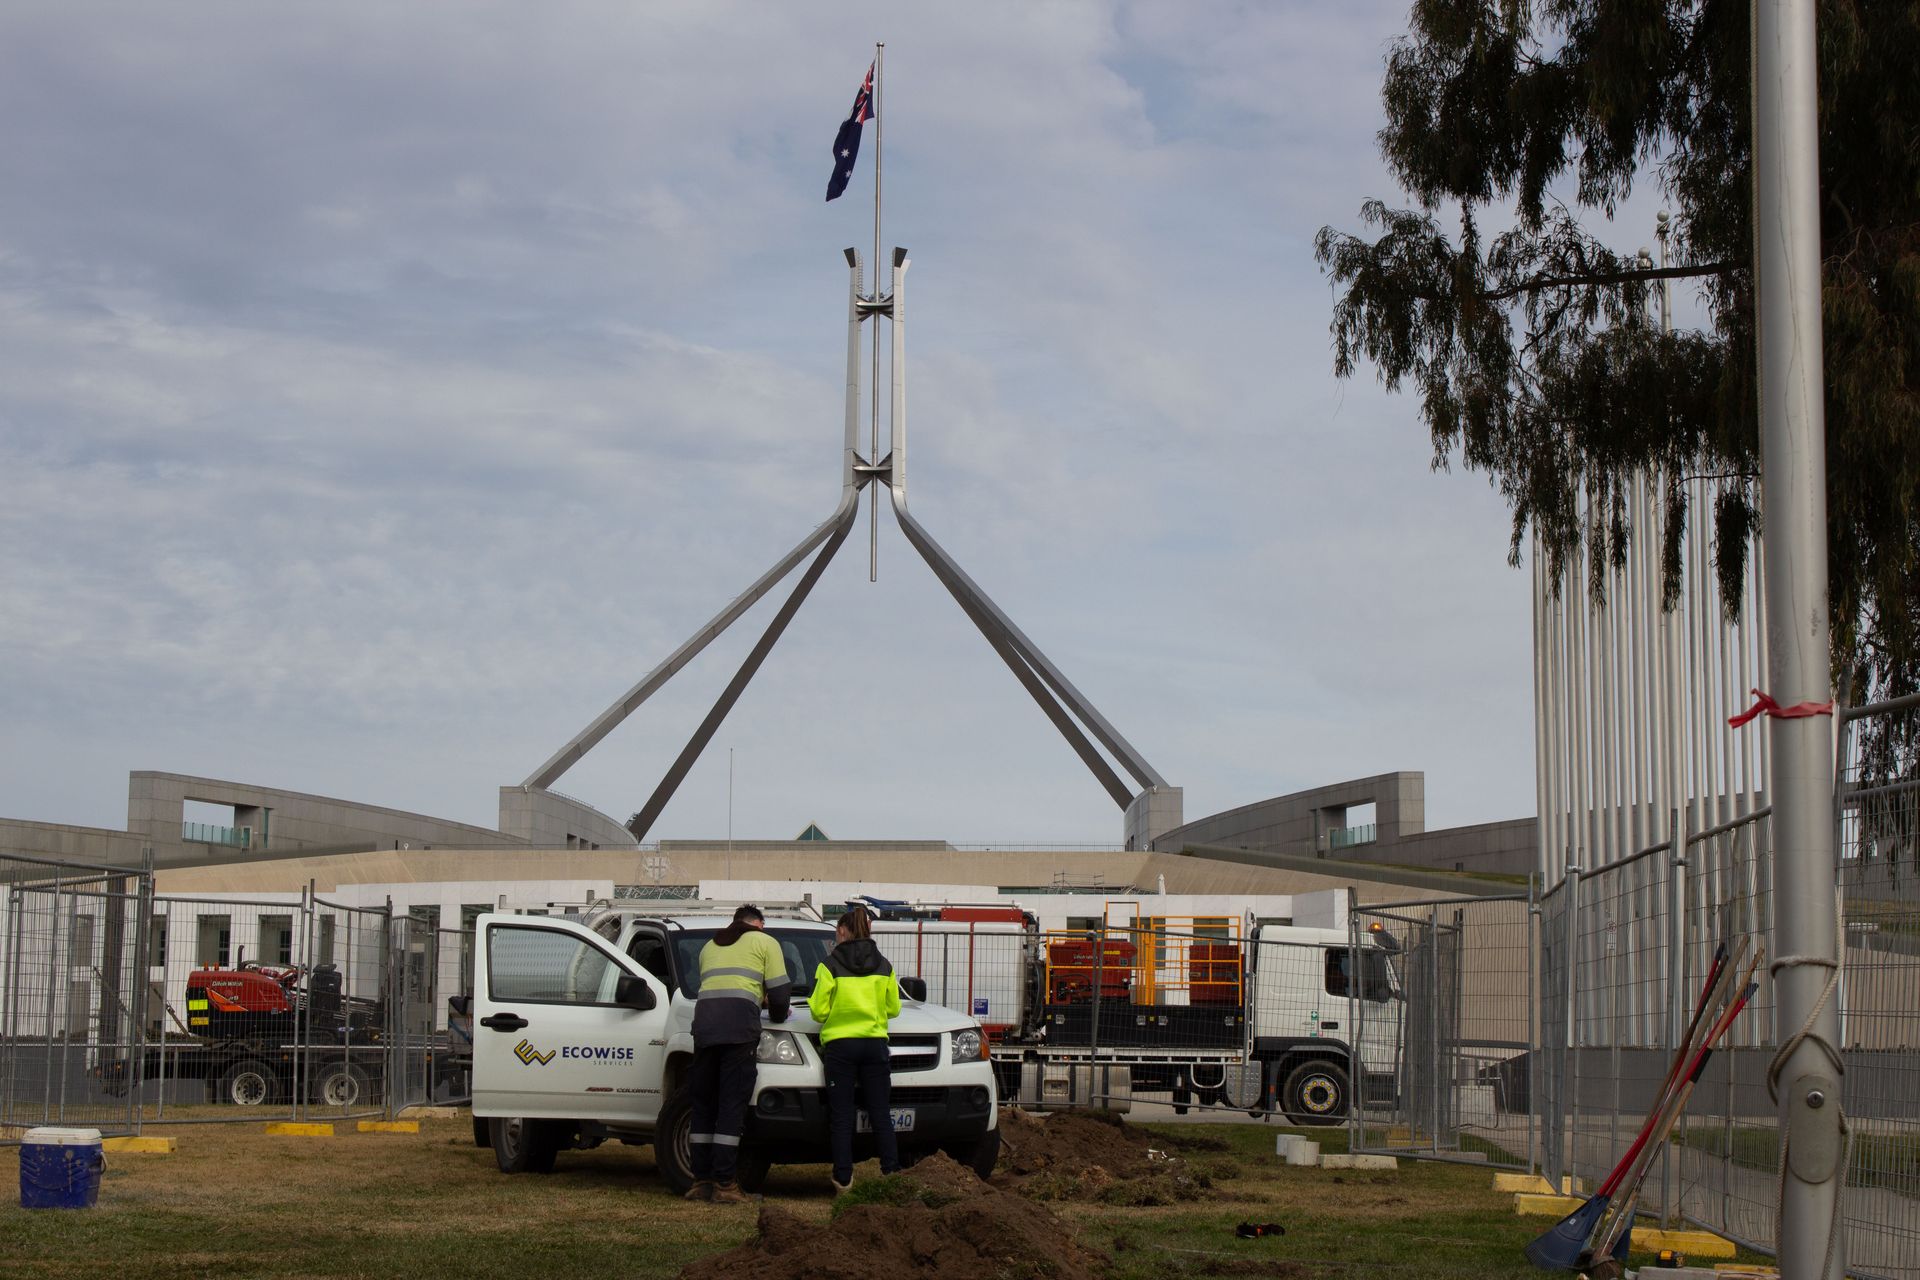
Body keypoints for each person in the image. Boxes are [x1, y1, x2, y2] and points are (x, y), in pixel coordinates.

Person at [686, 904, 791, 1204]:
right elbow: (781, 995)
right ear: (758, 924)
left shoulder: (710, 946)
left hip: (704, 1031)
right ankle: (725, 1184)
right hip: (738, 1032)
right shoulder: (764, 942)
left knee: (704, 1104)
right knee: (731, 1105)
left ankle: (700, 1180)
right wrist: (778, 1013)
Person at [807, 905, 902, 1192]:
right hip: (874, 1045)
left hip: (840, 1047)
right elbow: (894, 1008)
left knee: (842, 1115)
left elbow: (818, 1012)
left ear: (842, 931)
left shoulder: (829, 964)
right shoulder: (884, 964)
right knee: (881, 1112)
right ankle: (891, 1172)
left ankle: (844, 1178)